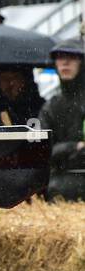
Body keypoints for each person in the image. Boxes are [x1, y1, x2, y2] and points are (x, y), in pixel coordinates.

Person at [39, 38, 85, 200]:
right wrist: (75, 147)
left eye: (72, 57)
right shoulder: (51, 106)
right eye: (60, 57)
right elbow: (42, 152)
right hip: (58, 189)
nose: (65, 62)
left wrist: (63, 152)